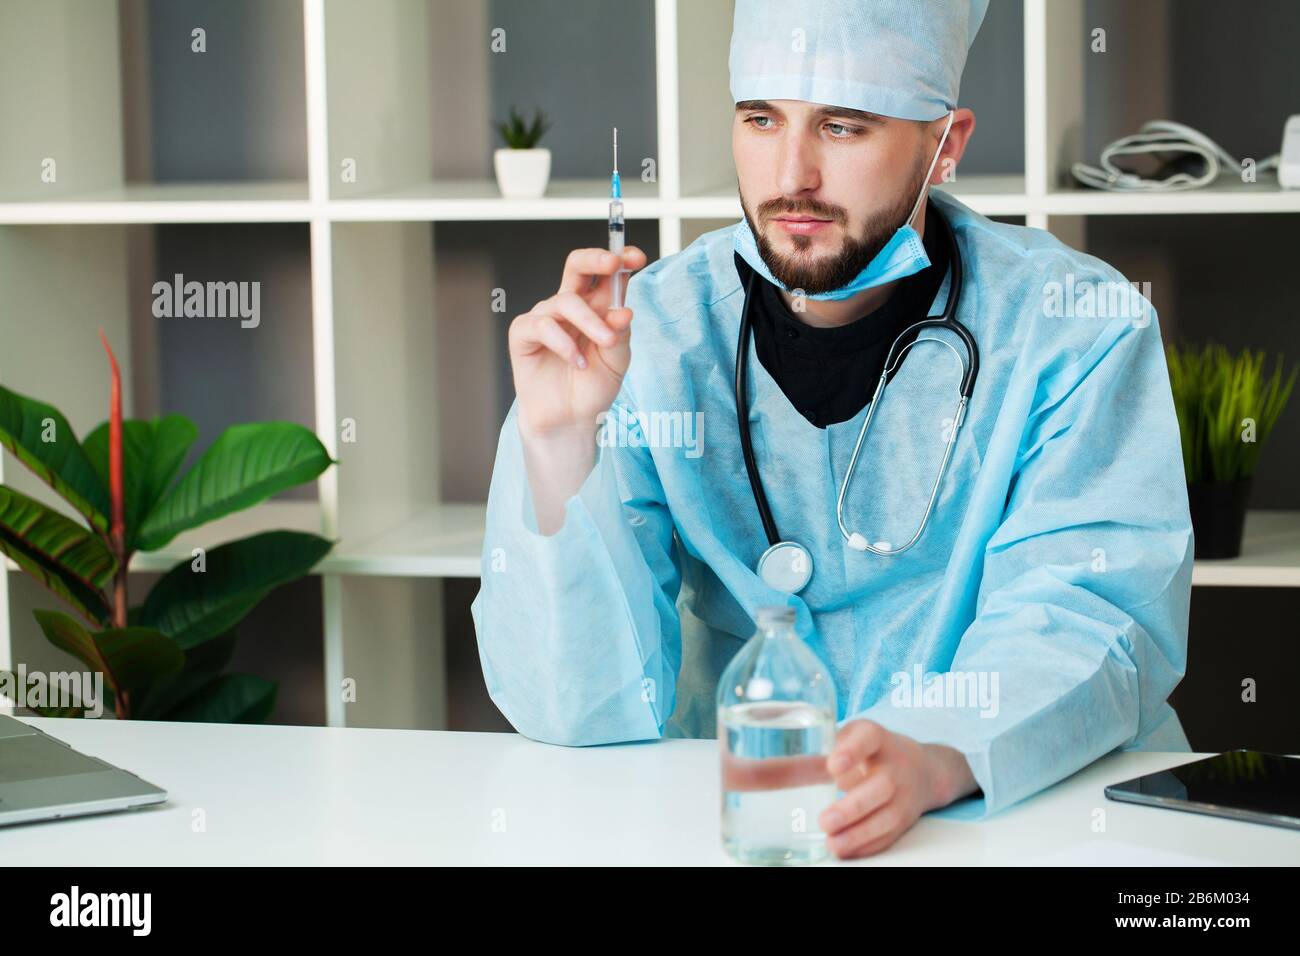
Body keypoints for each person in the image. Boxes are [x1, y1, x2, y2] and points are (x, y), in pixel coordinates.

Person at [472, 0, 1193, 859]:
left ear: (946, 142)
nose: (792, 174)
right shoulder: (644, 332)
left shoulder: (1075, 324)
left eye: (844, 126)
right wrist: (557, 447)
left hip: (1016, 819)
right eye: (761, 119)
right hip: (751, 824)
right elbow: (576, 710)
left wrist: (936, 753)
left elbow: (1090, 610)